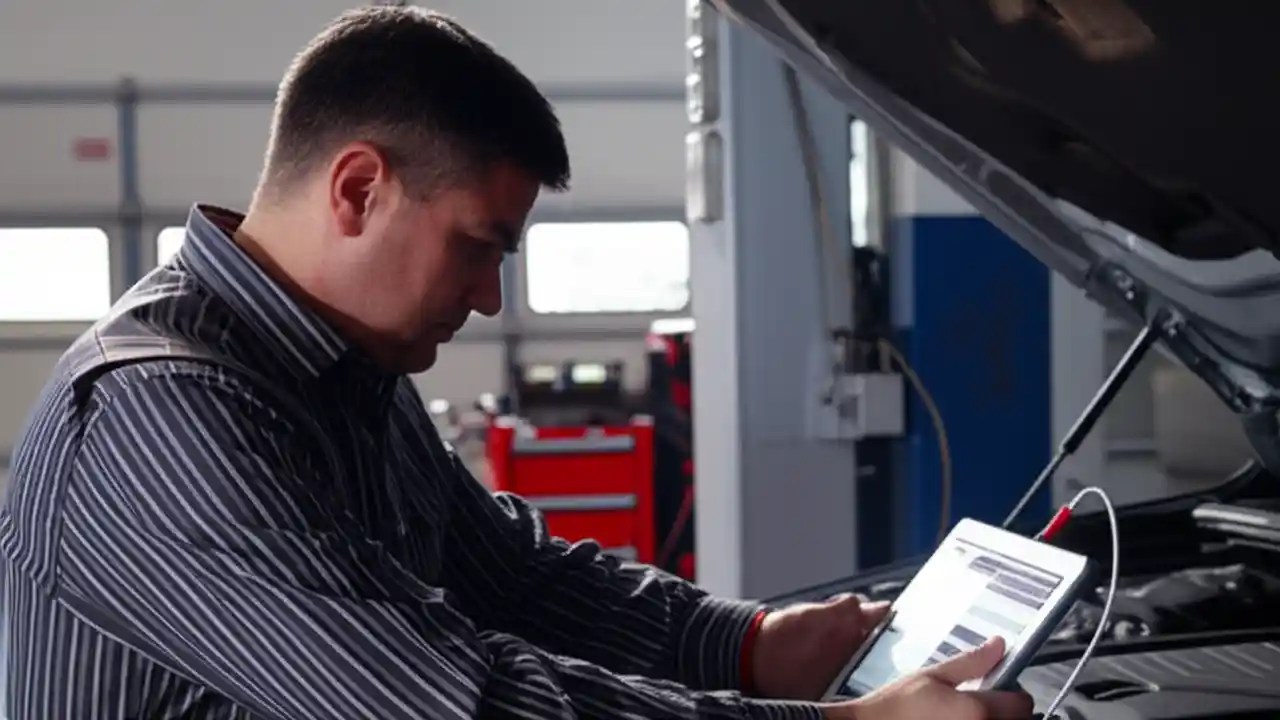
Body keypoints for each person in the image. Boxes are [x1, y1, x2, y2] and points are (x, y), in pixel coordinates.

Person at [0, 7, 1033, 719]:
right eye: (478, 245)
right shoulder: (155, 417)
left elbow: (516, 582)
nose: (490, 297)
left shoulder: (341, 374)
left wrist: (751, 644)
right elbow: (449, 703)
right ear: (358, 189)